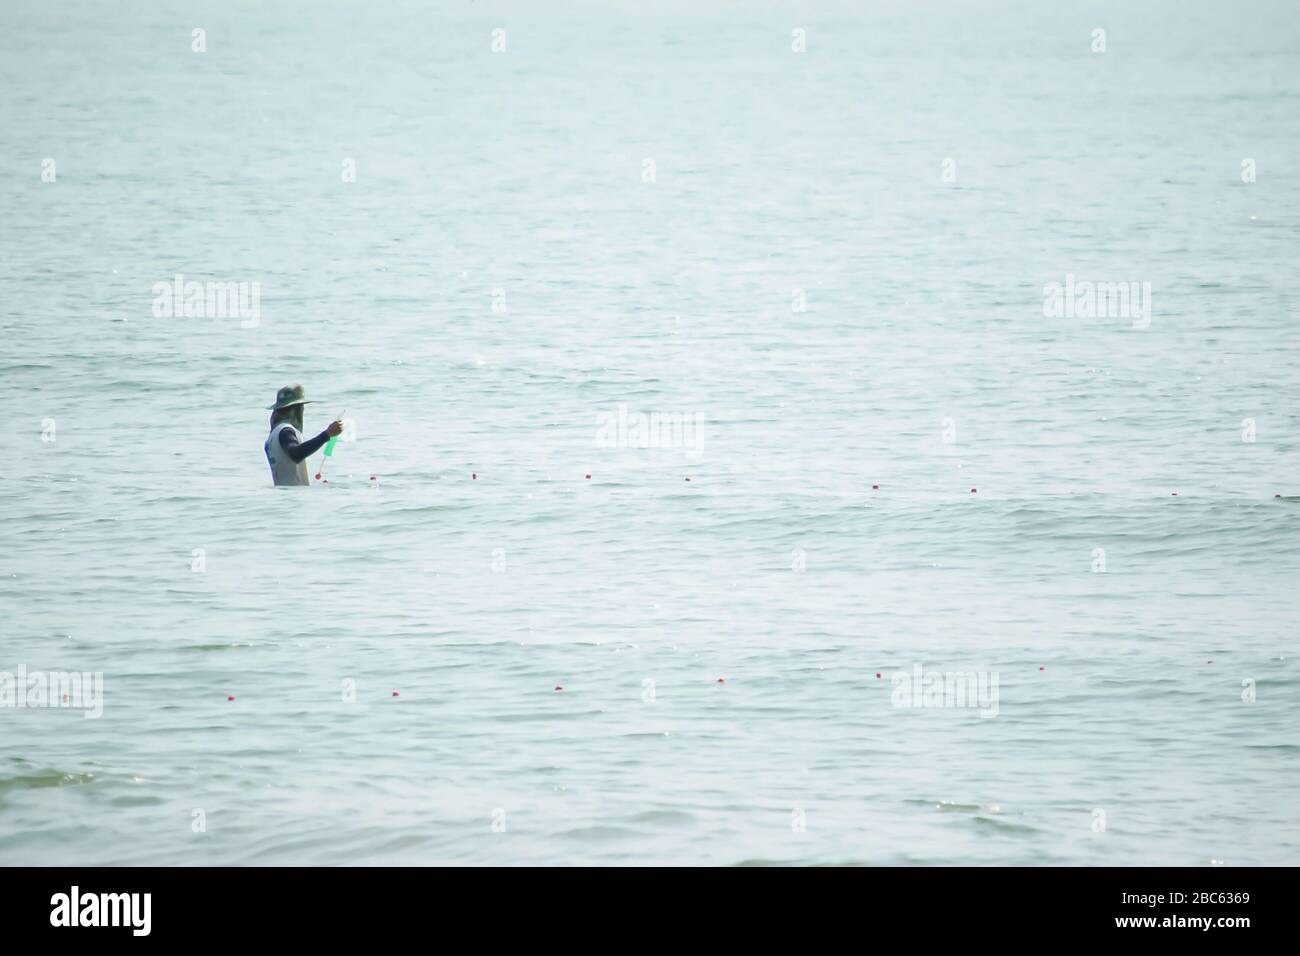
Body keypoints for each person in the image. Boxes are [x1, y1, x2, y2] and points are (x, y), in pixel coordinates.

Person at [264, 384, 343, 486]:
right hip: (293, 497)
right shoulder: (285, 431)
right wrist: (327, 434)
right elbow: (296, 454)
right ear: (296, 409)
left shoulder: (273, 435)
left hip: (283, 495)